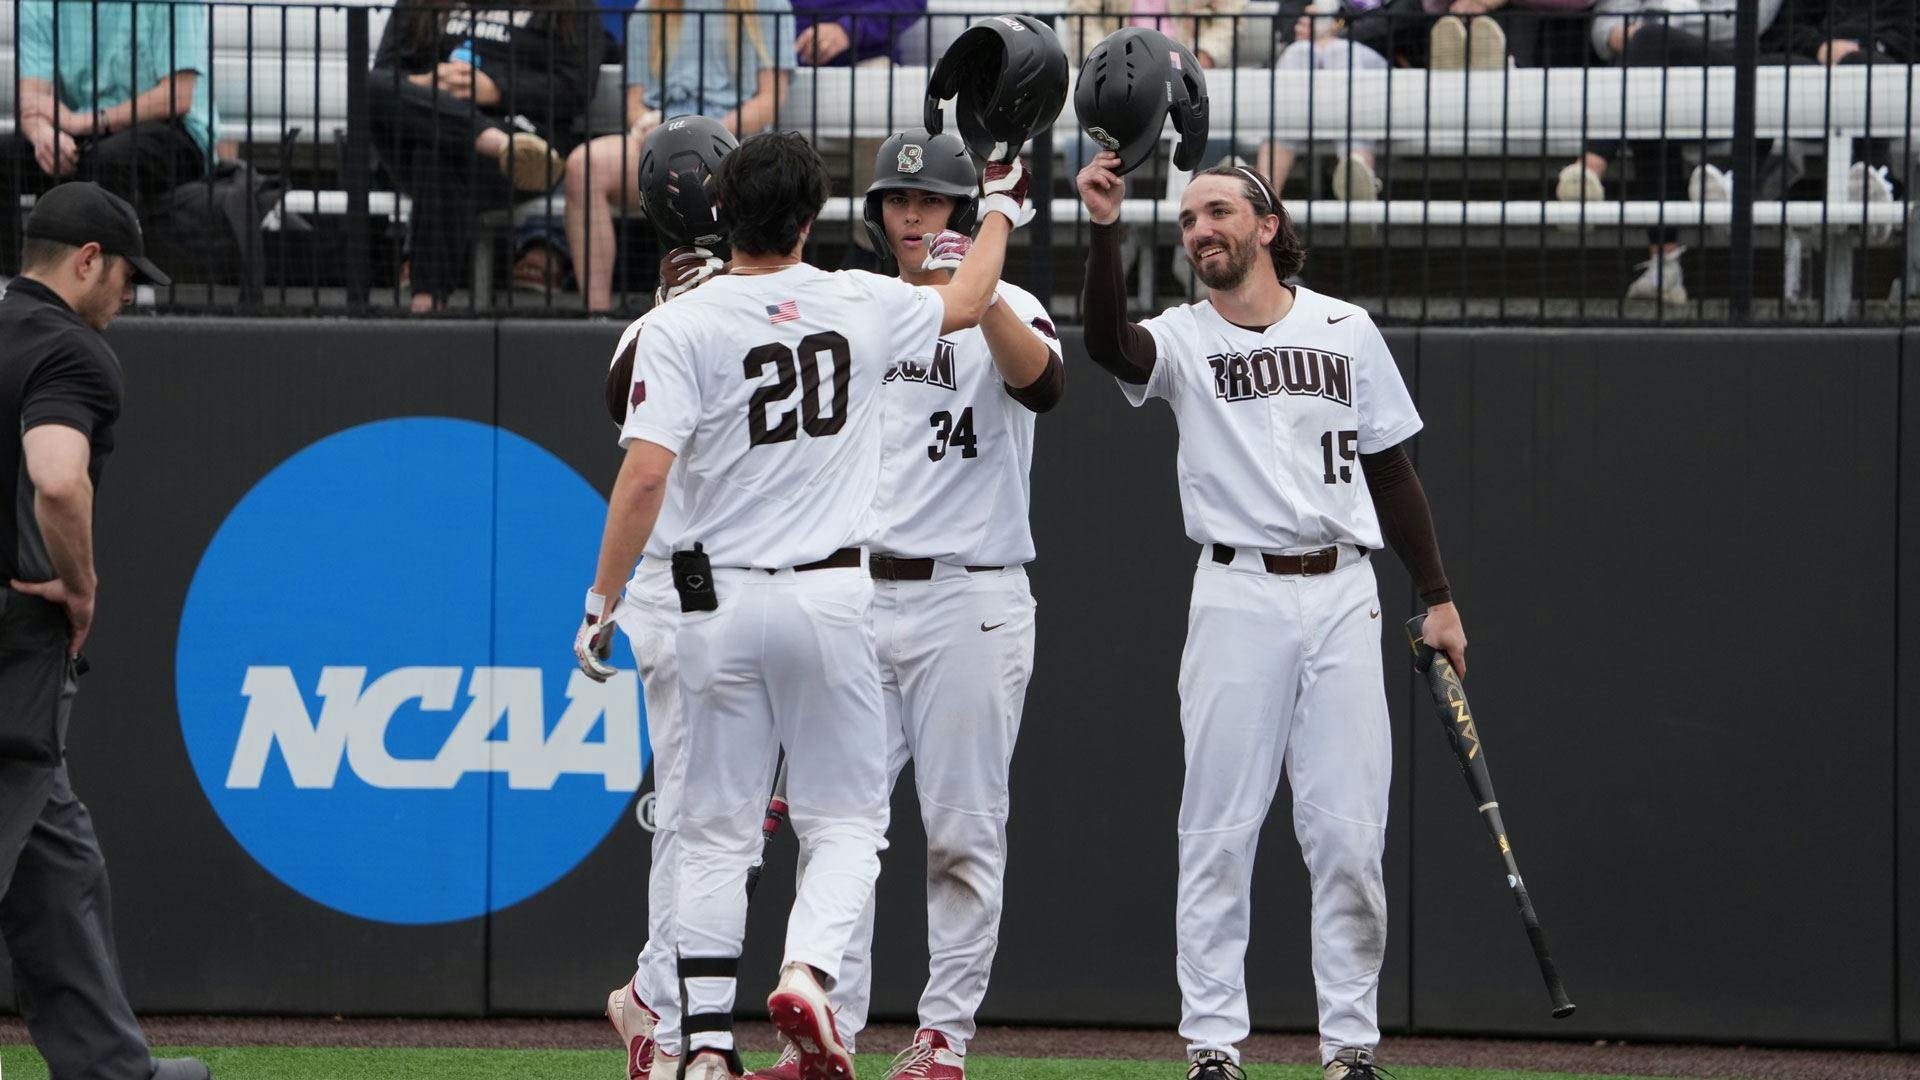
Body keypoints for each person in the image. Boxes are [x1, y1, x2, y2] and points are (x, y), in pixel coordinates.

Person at [572, 130, 1031, 1080]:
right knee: (848, 821)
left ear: (722, 213)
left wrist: (599, 599)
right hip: (829, 593)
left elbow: (643, 474)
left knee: (712, 831)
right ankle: (809, 972)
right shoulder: (858, 298)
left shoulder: (684, 319)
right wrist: (999, 207)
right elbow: (968, 299)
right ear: (813, 218)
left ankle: (703, 1045)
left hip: (711, 598)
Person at [1074, 151, 1467, 1080]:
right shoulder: (1182, 334)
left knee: (1349, 834)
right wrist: (1104, 228)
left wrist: (1439, 598)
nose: (1199, 230)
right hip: (1236, 589)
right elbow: (1109, 348)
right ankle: (1213, 1045)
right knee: (1218, 827)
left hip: (1343, 589)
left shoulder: (1345, 326)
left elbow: (1391, 470)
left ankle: (1351, 1047)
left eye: (1217, 211)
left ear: (1266, 224)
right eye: (1186, 220)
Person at [749, 129, 1063, 1080]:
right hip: (856, 592)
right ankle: (826, 1027)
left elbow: (1044, 384)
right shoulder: (862, 305)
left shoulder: (1008, 303)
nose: (913, 214)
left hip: (969, 596)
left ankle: (942, 1038)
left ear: (963, 209)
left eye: (930, 200)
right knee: (836, 823)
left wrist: (983, 285)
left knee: (962, 831)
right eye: (898, 199)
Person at [0, 182, 210, 1080]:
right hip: (14, 644)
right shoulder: (70, 349)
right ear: (88, 260)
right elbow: (56, 477)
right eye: (126, 274)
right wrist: (80, 586)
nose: (129, 293)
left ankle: (108, 1070)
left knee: (57, 863)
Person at [366, 0, 601, 311]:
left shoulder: (570, 6)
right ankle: (491, 140)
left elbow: (576, 87)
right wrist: (428, 84)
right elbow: (385, 72)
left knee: (438, 148)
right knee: (369, 86)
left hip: (522, 143)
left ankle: (426, 307)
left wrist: (496, 89)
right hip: (447, 131)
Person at [564, 0, 795, 312]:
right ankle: (597, 315)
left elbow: (769, 100)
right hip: (661, 140)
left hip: (734, 146)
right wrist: (650, 127)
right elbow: (634, 103)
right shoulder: (648, 8)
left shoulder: (769, 4)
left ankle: (752, 310)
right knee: (584, 166)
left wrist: (707, 137)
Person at [1555, 0, 1785, 303]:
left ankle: (1589, 168)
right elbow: (1603, 24)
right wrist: (1617, 34)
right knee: (1647, 81)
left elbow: (1744, 22)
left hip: (1729, 75)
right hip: (1656, 73)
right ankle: (1663, 270)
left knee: (1649, 47)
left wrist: (1656, 24)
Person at [1, 0, 219, 267]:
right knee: (7, 155)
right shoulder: (39, 4)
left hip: (173, 129)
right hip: (82, 129)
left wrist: (81, 123)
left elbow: (177, 97)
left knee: (107, 161)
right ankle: (14, 282)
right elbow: (32, 100)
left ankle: (120, 283)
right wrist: (42, 135)